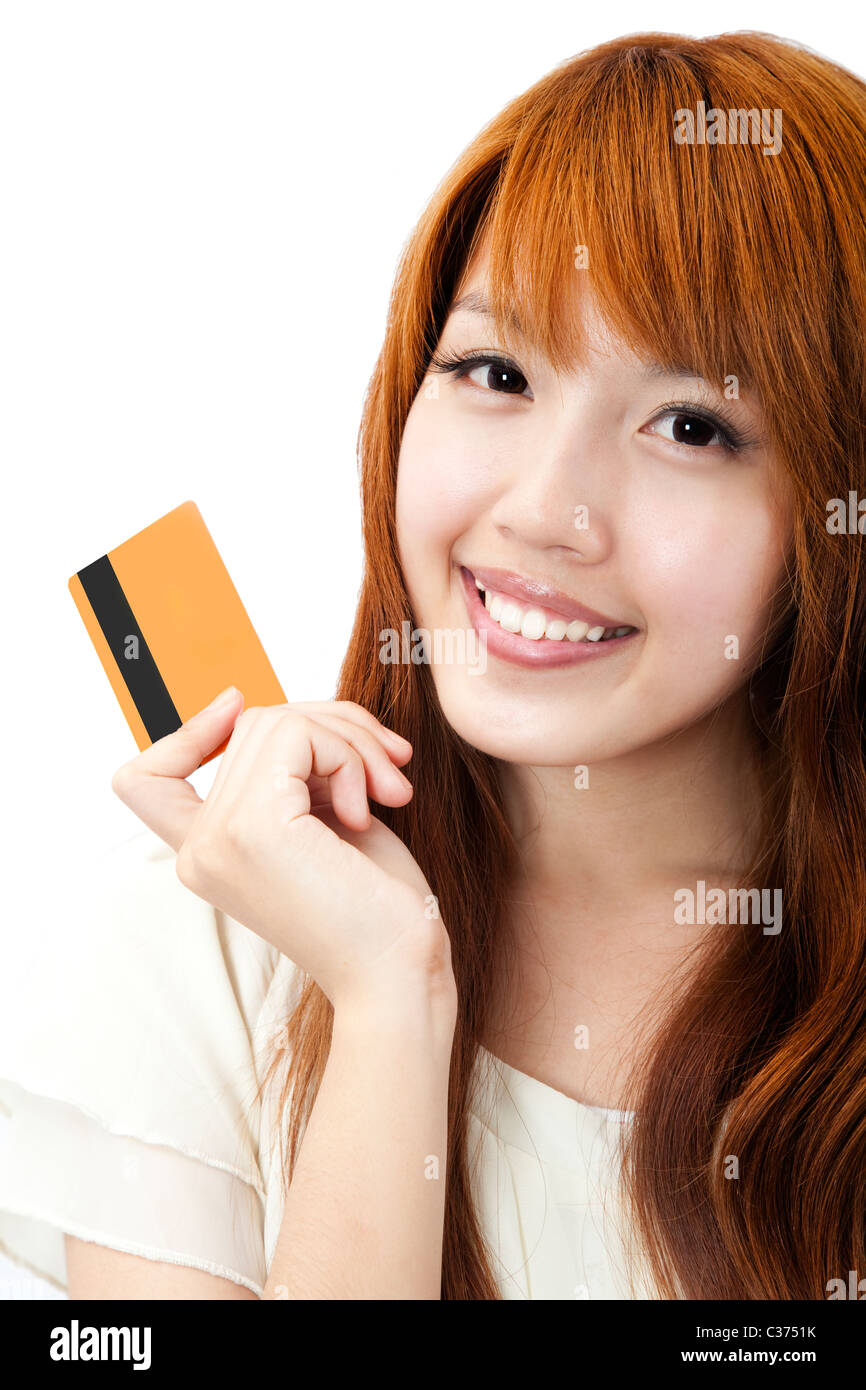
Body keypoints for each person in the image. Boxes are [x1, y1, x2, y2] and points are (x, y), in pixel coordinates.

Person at [1, 29, 864, 1300]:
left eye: (689, 424)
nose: (541, 510)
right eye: (493, 371)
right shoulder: (206, 945)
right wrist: (386, 1003)